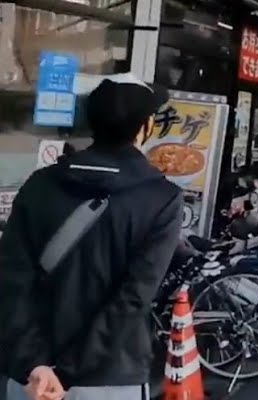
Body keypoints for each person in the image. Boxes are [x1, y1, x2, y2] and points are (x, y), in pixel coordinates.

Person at [0, 76, 182, 400]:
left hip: (31, 381)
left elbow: (12, 279)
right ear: (146, 127)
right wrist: (66, 373)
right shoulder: (161, 198)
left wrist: (36, 364)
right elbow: (133, 299)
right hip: (111, 377)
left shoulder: (40, 184)